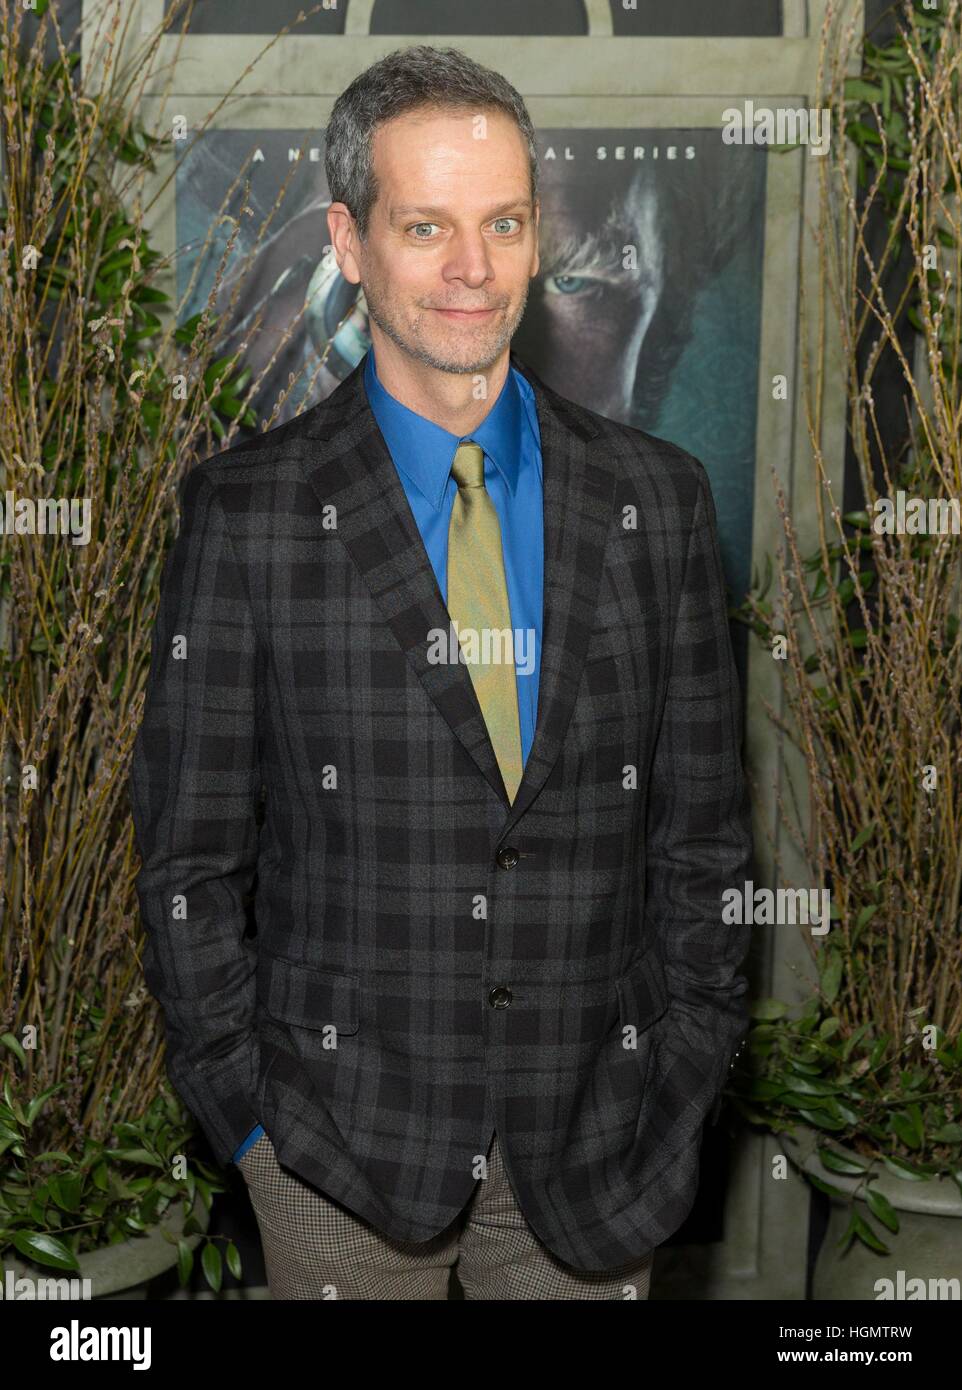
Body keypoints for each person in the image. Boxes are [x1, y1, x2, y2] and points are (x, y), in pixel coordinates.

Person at [129, 43, 754, 1301]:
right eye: (425, 227)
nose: (473, 269)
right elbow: (189, 861)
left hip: (593, 1152)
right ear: (349, 243)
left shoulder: (657, 502)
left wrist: (680, 1074)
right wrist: (253, 1131)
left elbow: (706, 848)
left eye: (503, 224)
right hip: (334, 1165)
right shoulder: (246, 514)